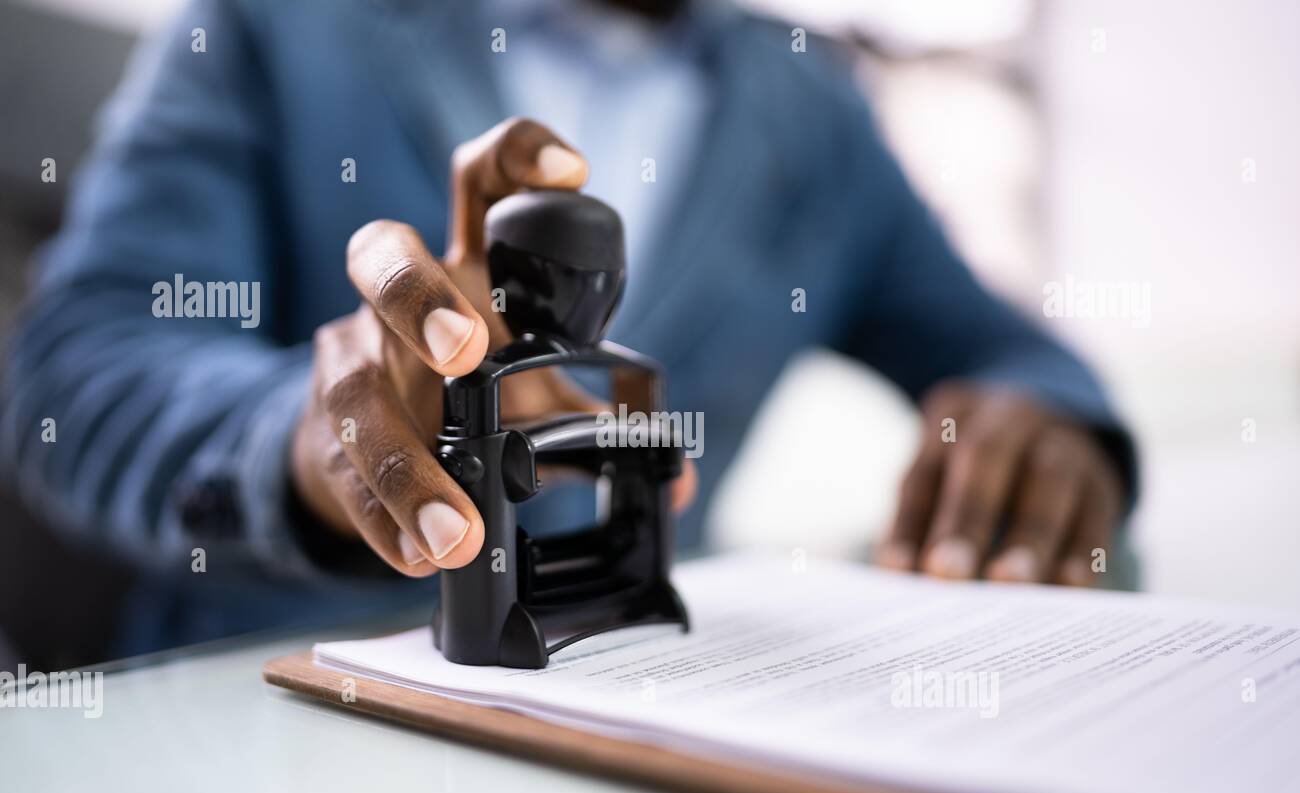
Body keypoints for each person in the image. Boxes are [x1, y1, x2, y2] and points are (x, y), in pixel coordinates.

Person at [1, 0, 1134, 654]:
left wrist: (1040, 414)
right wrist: (302, 441)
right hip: (262, 703)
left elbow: (1004, 347)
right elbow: (66, 373)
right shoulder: (279, 22)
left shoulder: (812, 108)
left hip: (647, 700)